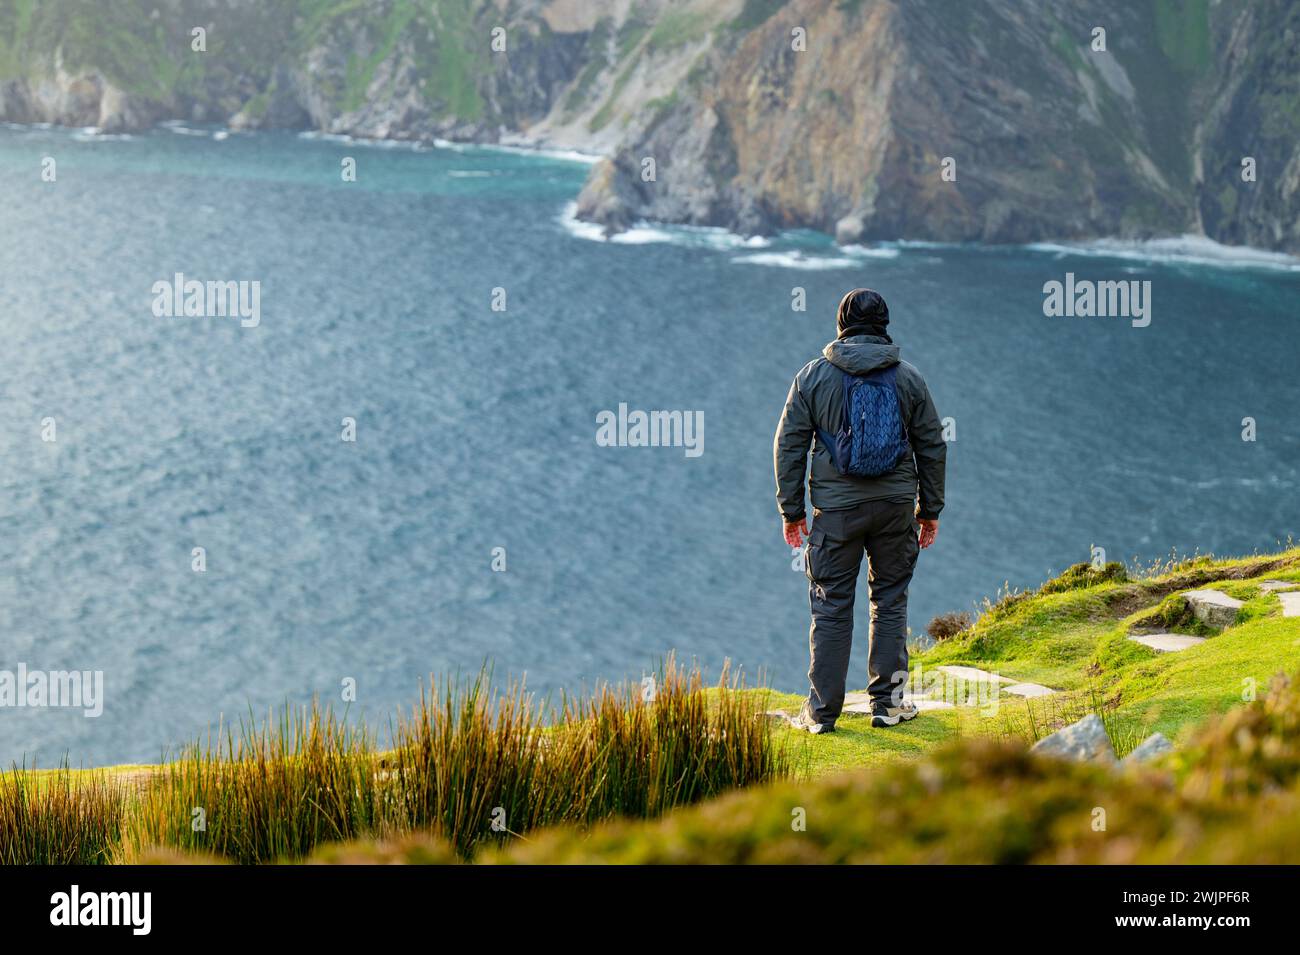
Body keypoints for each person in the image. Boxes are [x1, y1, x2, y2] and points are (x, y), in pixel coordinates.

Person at [773, 288, 947, 732]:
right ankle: (888, 706)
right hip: (894, 509)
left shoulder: (812, 378)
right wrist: (930, 509)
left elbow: (789, 444)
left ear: (840, 326)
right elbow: (931, 444)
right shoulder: (909, 378)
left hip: (836, 512)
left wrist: (792, 512)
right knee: (889, 602)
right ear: (884, 326)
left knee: (830, 606)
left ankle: (821, 714)